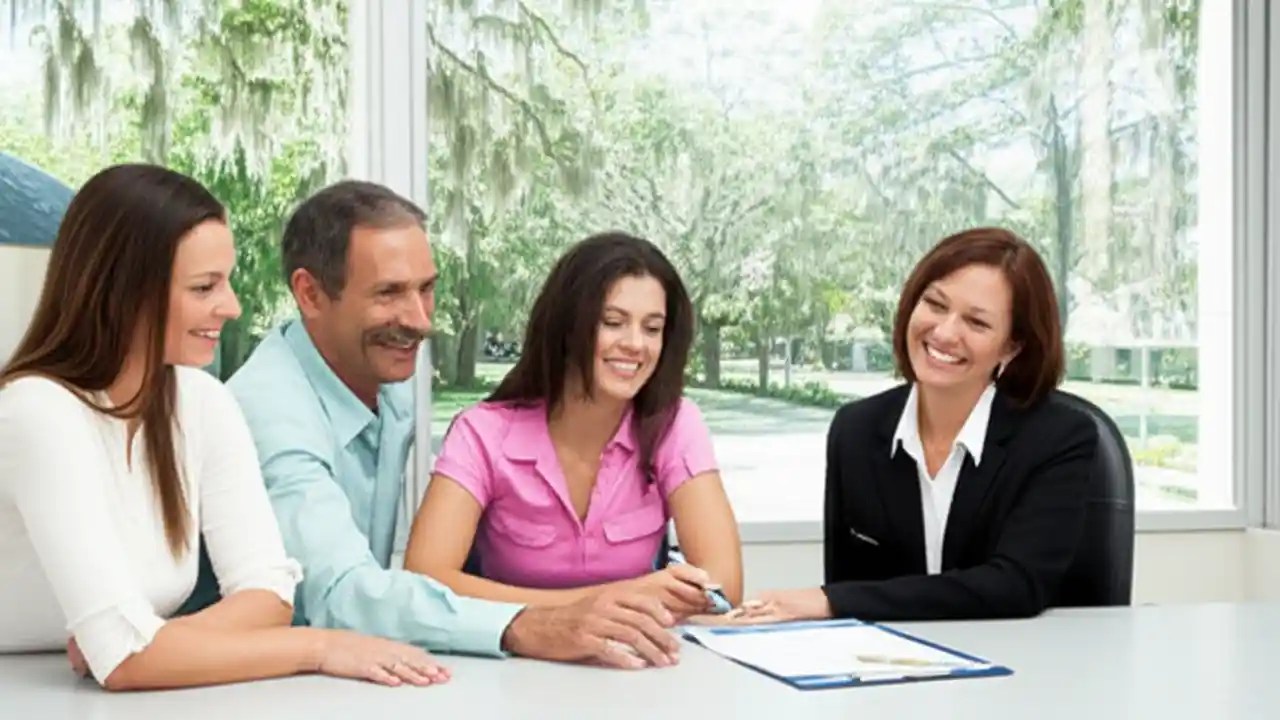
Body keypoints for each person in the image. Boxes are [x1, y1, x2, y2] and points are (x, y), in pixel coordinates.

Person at [0, 164, 446, 691]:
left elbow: (269, 594)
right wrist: (321, 647)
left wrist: (157, 644)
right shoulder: (36, 412)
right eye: (204, 286)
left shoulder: (202, 402)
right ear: (126, 291)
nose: (231, 306)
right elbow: (123, 661)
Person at [227, 182, 686, 670]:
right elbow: (339, 593)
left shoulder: (385, 372)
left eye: (426, 288)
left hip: (346, 669)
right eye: (389, 293)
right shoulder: (271, 413)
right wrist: (523, 624)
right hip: (249, 684)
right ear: (310, 294)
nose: (420, 320)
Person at [730, 227, 1099, 624]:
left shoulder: (1059, 437)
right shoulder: (855, 431)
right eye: (935, 304)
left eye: (976, 323)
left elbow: (1015, 586)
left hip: (1025, 669)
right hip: (893, 670)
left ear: (1012, 346)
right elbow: (852, 587)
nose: (944, 332)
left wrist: (827, 601)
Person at [403, 232, 743, 614]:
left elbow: (723, 585)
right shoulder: (481, 433)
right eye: (613, 322)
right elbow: (424, 580)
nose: (635, 344)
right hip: (510, 664)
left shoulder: (676, 424)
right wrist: (595, 607)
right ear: (566, 327)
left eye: (652, 328)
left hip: (634, 662)